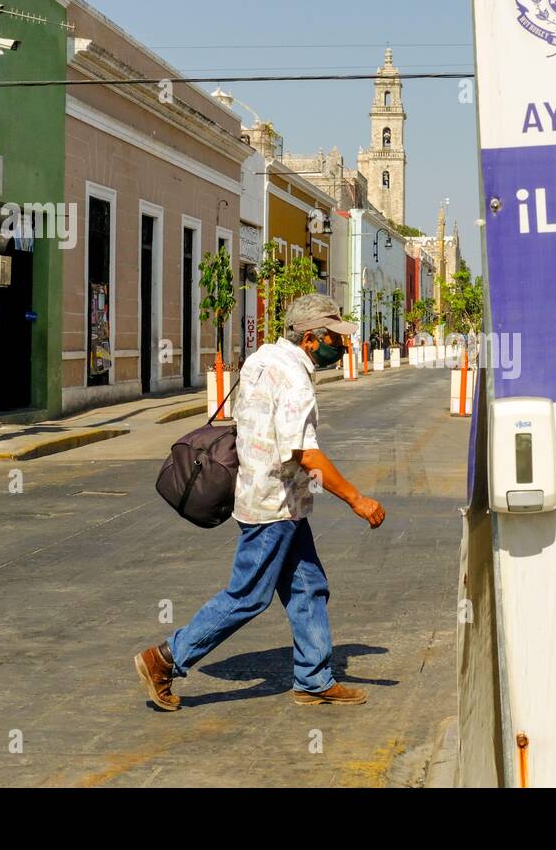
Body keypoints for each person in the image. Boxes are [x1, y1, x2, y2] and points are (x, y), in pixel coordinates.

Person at [135, 294, 386, 711]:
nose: (340, 347)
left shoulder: (262, 358)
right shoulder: (293, 378)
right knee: (247, 595)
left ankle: (314, 678)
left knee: (308, 588)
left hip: (271, 496)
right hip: (273, 506)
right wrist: (356, 499)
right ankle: (165, 658)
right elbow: (303, 452)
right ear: (309, 338)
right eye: (334, 339)